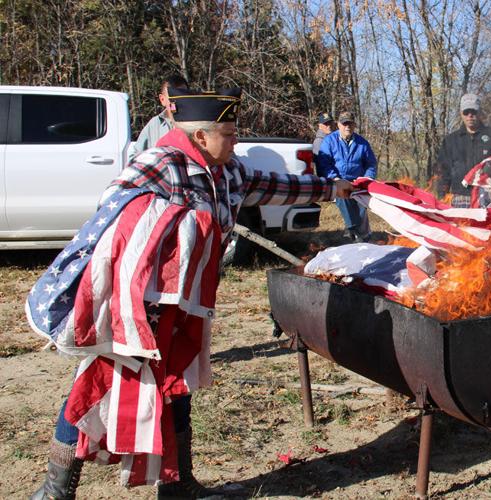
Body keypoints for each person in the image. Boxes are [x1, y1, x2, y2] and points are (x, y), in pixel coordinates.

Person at [29, 87, 353, 500]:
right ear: (201, 136)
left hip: (186, 305)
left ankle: (178, 487)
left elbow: (278, 185)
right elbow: (113, 210)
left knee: (176, 385)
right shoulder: (159, 162)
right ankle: (54, 490)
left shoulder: (228, 169)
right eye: (230, 134)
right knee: (98, 384)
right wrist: (180, 227)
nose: (237, 142)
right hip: (140, 307)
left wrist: (333, 188)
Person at [434, 93, 491, 207]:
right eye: (466, 112)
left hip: (489, 199)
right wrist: (442, 197)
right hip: (459, 199)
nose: (470, 115)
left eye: (473, 111)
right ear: (461, 113)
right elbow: (442, 172)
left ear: (479, 112)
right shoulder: (451, 141)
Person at [316, 111, 377, 241]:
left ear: (354, 125)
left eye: (350, 124)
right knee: (342, 194)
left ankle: (359, 234)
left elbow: (371, 164)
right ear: (338, 125)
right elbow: (324, 163)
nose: (347, 127)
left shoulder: (362, 143)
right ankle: (352, 229)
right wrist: (335, 179)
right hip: (337, 180)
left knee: (362, 199)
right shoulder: (329, 141)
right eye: (344, 124)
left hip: (358, 181)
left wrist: (366, 178)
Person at [128, 75, 189, 160]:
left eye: (182, 95)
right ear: (162, 99)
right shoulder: (154, 124)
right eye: (172, 97)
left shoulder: (198, 123)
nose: (177, 101)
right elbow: (134, 158)